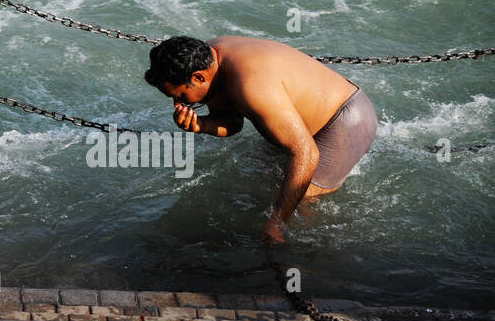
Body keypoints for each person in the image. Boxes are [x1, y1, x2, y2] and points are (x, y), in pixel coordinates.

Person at [144, 35, 377, 243]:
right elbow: (232, 123)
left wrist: (277, 224)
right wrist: (201, 124)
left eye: (180, 96)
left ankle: (308, 265)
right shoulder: (209, 58)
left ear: (198, 77)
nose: (178, 104)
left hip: (344, 121)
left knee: (300, 207)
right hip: (305, 119)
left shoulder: (250, 86)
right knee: (266, 182)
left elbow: (307, 153)